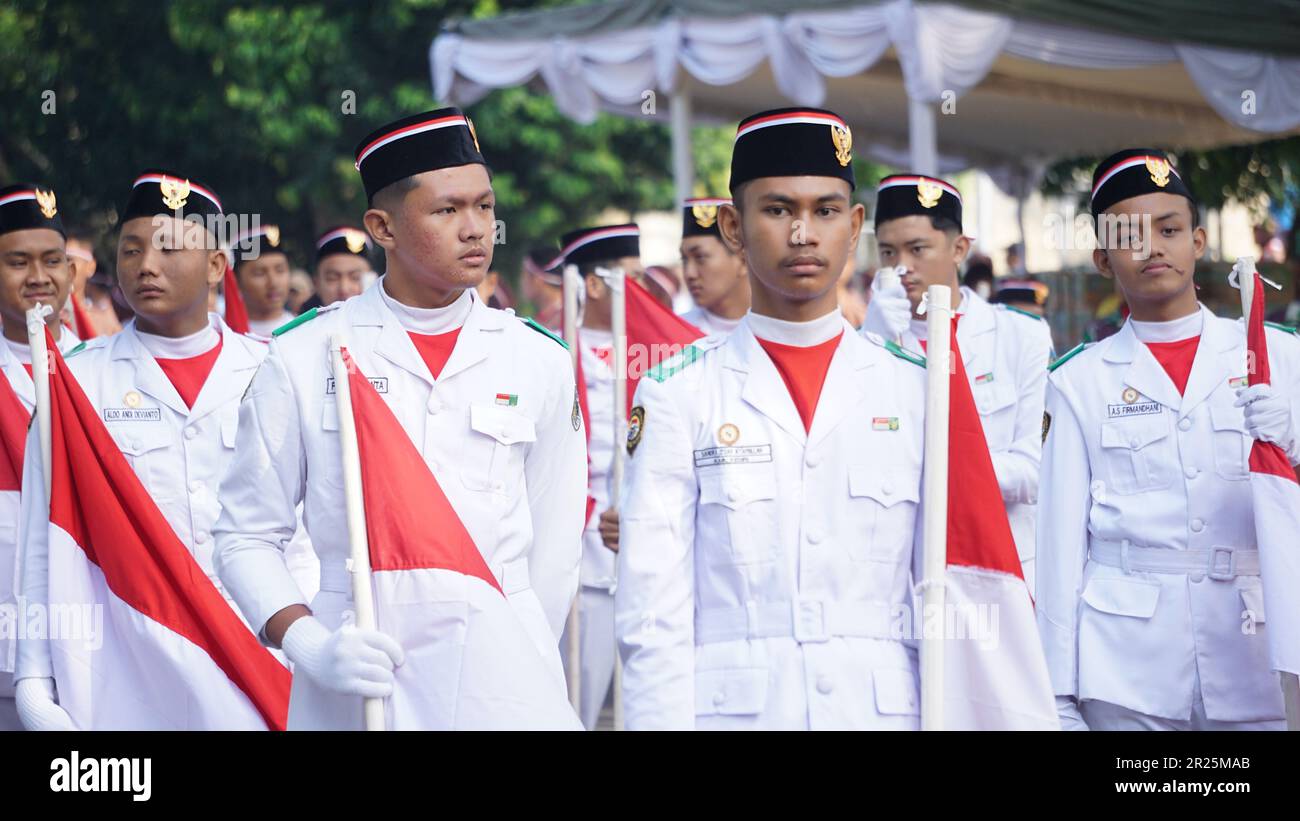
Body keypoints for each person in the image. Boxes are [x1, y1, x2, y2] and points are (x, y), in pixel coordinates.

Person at [211, 108, 586, 729]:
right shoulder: (307, 355)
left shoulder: (537, 359)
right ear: (381, 227)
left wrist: (510, 644)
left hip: (505, 679)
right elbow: (246, 535)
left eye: (485, 207)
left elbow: (554, 545)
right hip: (357, 670)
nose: (476, 230)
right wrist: (311, 647)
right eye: (447, 211)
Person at [615, 107, 929, 730]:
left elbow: (950, 591)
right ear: (733, 225)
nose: (804, 233)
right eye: (778, 210)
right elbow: (653, 614)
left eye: (826, 210)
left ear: (855, 223)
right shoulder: (680, 392)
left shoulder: (914, 388)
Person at [1037, 148, 1300, 730]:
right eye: (1130, 233)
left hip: (1255, 655)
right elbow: (1058, 548)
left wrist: (1295, 444)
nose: (1153, 246)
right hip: (1127, 670)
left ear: (1199, 242)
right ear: (1103, 259)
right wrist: (1057, 698)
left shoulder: (1277, 355)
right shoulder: (1077, 381)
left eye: (1171, 229)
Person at [13, 169, 273, 730]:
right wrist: (33, 677)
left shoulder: (274, 372)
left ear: (215, 266)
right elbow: (43, 541)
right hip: (129, 669)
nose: (145, 265)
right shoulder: (74, 384)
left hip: (257, 655)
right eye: (130, 249)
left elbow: (304, 532)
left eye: (169, 247)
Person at [861, 174, 1052, 584]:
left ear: (959, 249)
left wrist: (941, 467)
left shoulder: (1020, 336)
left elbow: (1034, 470)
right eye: (888, 252)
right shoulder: (868, 345)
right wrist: (871, 345)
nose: (902, 268)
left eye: (917, 249)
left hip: (999, 565)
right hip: (904, 572)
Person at [552, 222, 642, 729]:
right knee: (576, 702)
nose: (642, 290)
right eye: (629, 278)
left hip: (641, 551)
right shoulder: (560, 347)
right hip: (582, 557)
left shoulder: (652, 343)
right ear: (592, 284)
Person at [0, 183, 79, 731]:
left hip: (92, 636)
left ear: (71, 273)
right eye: (17, 262)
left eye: (52, 261)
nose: (38, 277)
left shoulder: (105, 368)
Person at [678, 197, 750, 336]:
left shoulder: (781, 331)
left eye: (700, 257)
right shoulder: (675, 335)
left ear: (742, 260)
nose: (689, 274)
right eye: (684, 259)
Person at [232, 223, 294, 336]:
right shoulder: (228, 336)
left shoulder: (304, 330)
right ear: (237, 280)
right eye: (259, 273)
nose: (273, 282)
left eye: (280, 270)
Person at [299, 225, 371, 314]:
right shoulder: (304, 327)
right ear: (316, 284)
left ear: (372, 280)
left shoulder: (390, 324)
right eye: (332, 278)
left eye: (355, 277)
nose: (344, 289)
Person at [520, 247, 563, 332]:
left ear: (537, 280)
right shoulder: (549, 318)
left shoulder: (565, 320)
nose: (521, 281)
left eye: (524, 275)